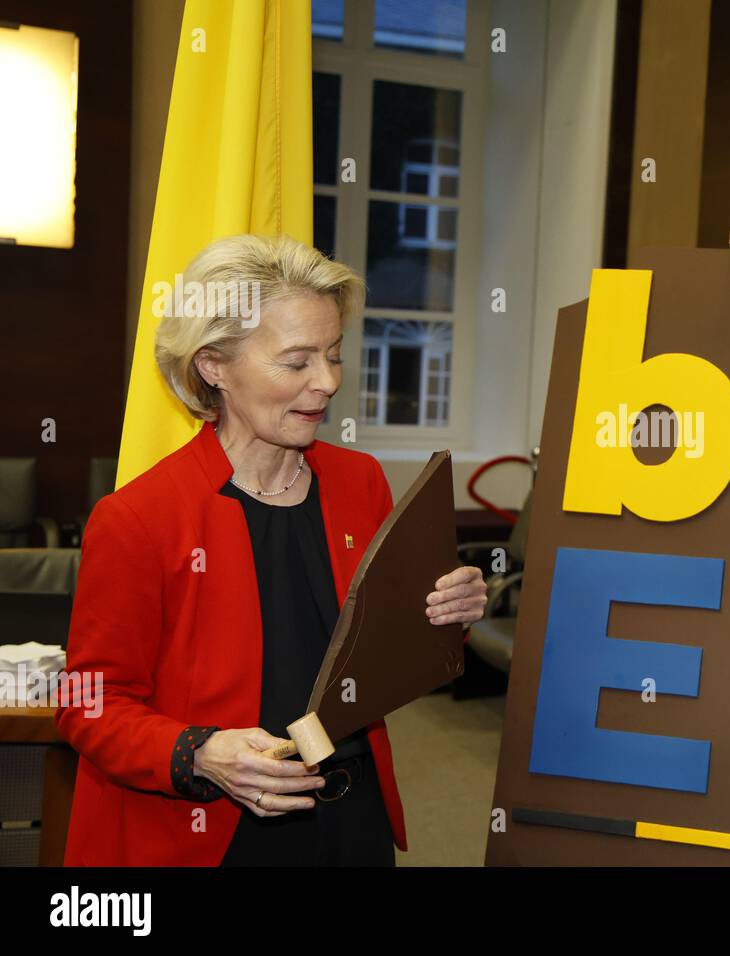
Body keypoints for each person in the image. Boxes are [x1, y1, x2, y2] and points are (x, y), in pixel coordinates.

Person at [56, 234, 488, 866]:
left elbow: (386, 651)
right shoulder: (138, 518)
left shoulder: (360, 481)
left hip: (351, 818)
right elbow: (88, 703)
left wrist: (450, 614)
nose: (328, 382)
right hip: (216, 835)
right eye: (297, 361)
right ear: (214, 366)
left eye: (336, 355)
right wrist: (197, 752)